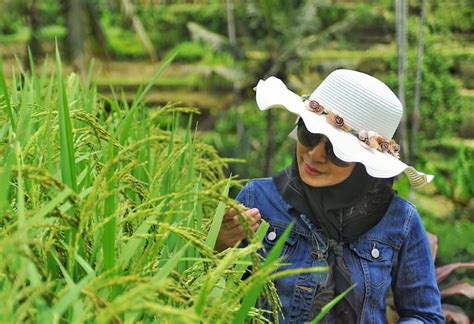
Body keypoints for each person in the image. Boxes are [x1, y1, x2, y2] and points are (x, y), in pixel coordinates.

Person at [216, 70, 444, 323]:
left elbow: (424, 315)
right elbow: (213, 295)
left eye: (336, 151)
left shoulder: (401, 220)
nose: (314, 155)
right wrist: (219, 247)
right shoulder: (259, 199)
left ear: (363, 164)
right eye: (309, 135)